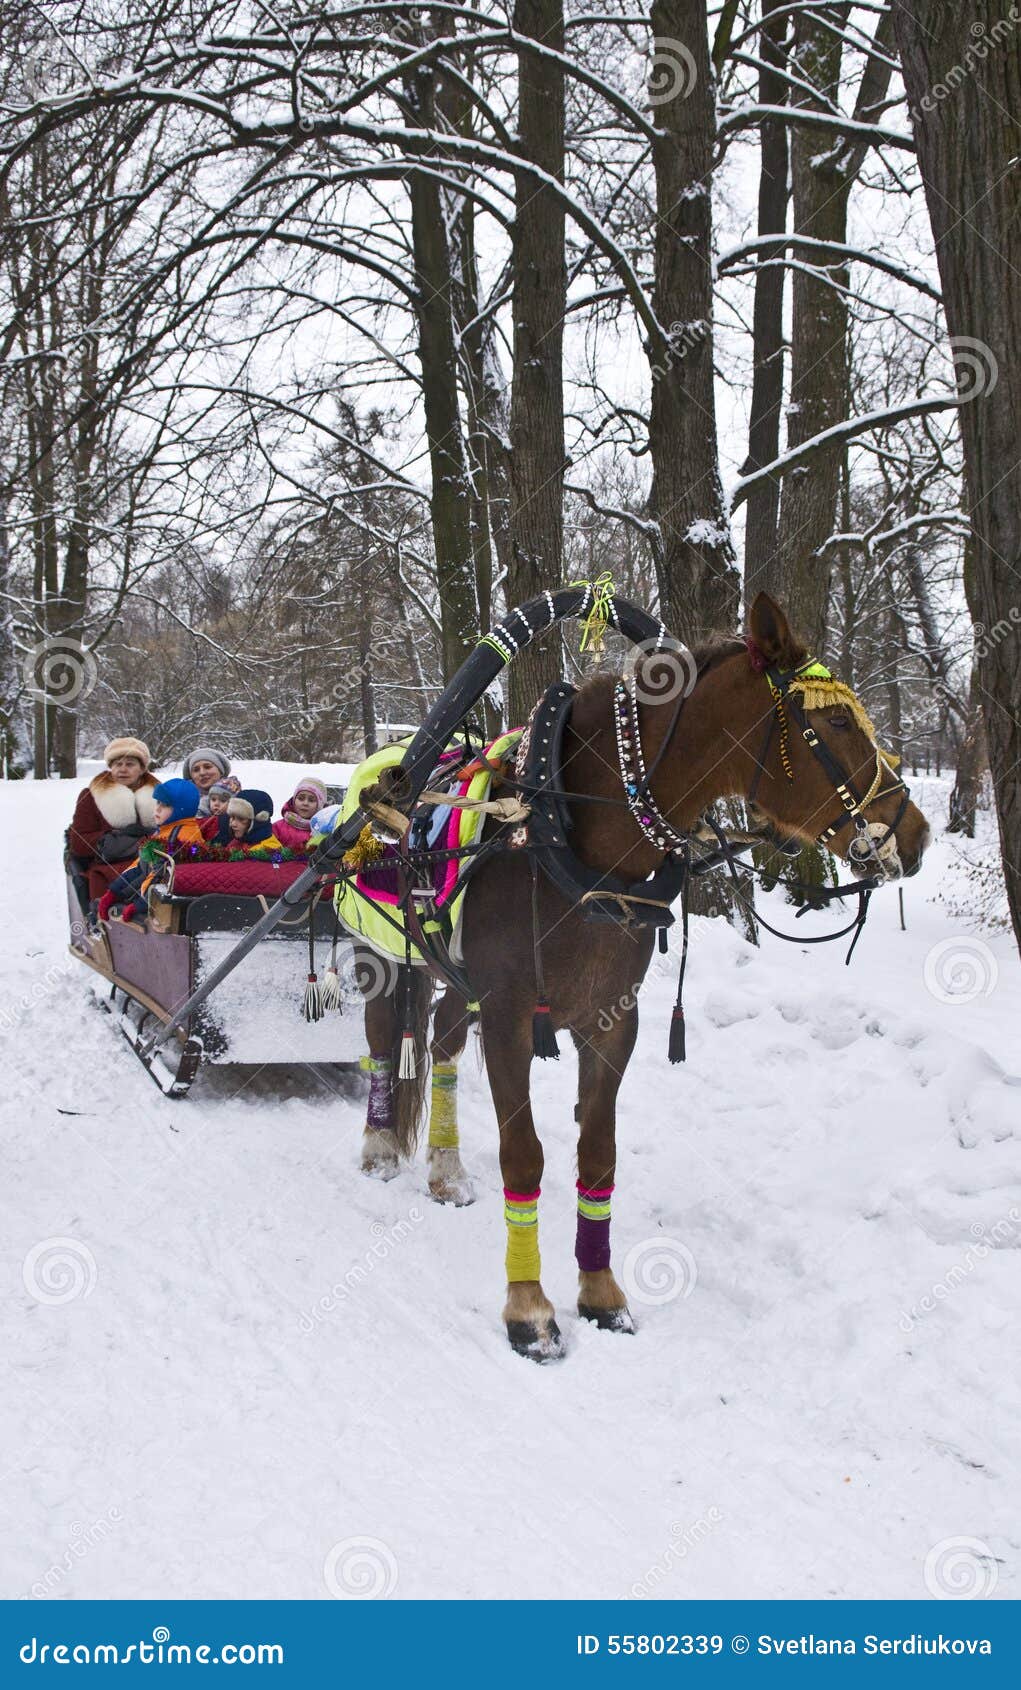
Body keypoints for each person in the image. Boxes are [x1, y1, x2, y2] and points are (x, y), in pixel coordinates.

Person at [98, 779, 208, 922]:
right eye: (158, 802)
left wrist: (139, 906)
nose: (157, 809)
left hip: (162, 908)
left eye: (166, 805)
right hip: (148, 898)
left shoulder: (180, 838)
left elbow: (164, 880)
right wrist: (114, 892)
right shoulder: (164, 831)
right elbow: (140, 867)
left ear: (182, 809)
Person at [67, 737, 160, 905]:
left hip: (153, 863)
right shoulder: (90, 796)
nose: (122, 769)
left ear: (142, 768)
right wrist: (115, 838)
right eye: (117, 764)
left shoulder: (161, 796)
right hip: (109, 867)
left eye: (130, 764)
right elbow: (79, 843)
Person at [213, 788, 279, 853]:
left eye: (241, 819)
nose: (233, 824)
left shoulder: (271, 850)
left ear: (259, 820)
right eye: (232, 817)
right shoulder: (236, 843)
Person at [273, 776, 328, 852]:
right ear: (294, 800)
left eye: (311, 800)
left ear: (320, 804)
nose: (305, 803)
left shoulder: (325, 830)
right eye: (301, 798)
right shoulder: (277, 828)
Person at [181, 746, 232, 815]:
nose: (202, 773)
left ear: (220, 771)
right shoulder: (182, 803)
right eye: (196, 770)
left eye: (207, 767)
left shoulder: (237, 798)